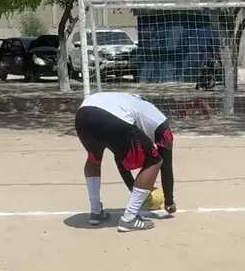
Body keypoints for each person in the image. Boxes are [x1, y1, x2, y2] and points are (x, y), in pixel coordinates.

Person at [75, 91, 176, 233]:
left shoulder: (128, 103)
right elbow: (166, 165)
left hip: (83, 114)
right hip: (112, 118)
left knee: (94, 158)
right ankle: (129, 218)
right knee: (155, 162)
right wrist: (169, 201)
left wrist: (133, 189)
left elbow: (120, 159)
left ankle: (95, 211)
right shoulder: (163, 127)